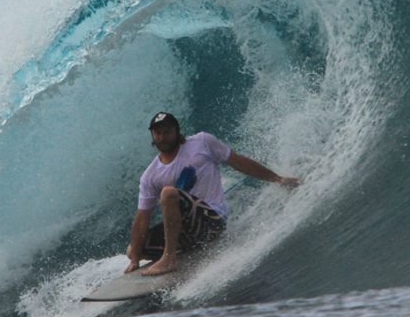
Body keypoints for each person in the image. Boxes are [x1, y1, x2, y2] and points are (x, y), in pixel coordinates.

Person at [126, 112, 299, 276]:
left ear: (177, 131)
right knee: (133, 249)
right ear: (152, 135)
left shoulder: (202, 142)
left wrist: (277, 178)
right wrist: (134, 260)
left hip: (212, 222)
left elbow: (238, 162)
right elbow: (142, 217)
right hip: (186, 232)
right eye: (158, 133)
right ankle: (178, 250)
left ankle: (169, 258)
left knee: (169, 193)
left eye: (167, 132)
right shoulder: (150, 175)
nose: (162, 137)